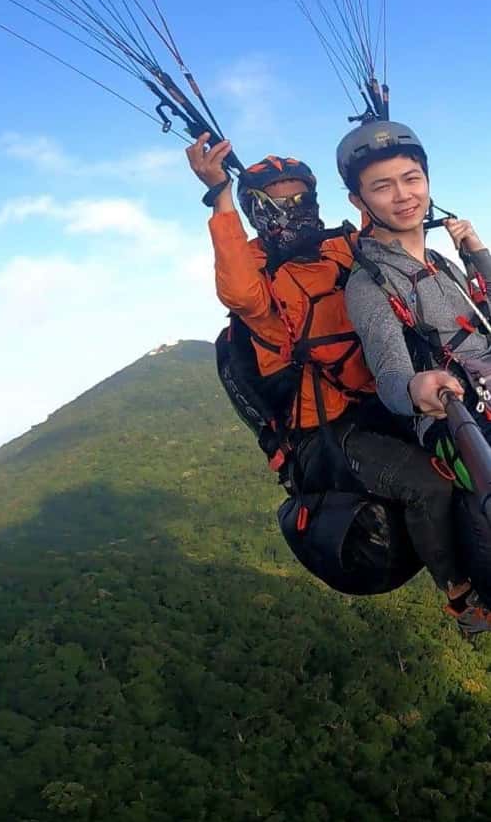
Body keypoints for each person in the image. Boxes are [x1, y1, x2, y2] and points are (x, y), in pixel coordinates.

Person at [188, 131, 491, 633]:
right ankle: (461, 596)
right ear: (258, 210)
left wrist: (381, 139)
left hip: (385, 401)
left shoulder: (342, 248)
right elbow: (237, 287)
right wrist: (219, 193)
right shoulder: (260, 278)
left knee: (463, 459)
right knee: (428, 485)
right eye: (280, 202)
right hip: (327, 429)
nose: (294, 210)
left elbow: (388, 221)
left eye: (301, 198)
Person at [339, 119, 491, 626]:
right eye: (382, 186)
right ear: (360, 203)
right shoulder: (368, 283)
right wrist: (415, 388)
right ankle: (462, 590)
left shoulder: (443, 262)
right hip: (455, 417)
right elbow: (388, 371)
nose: (403, 196)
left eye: (412, 179)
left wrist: (476, 252)